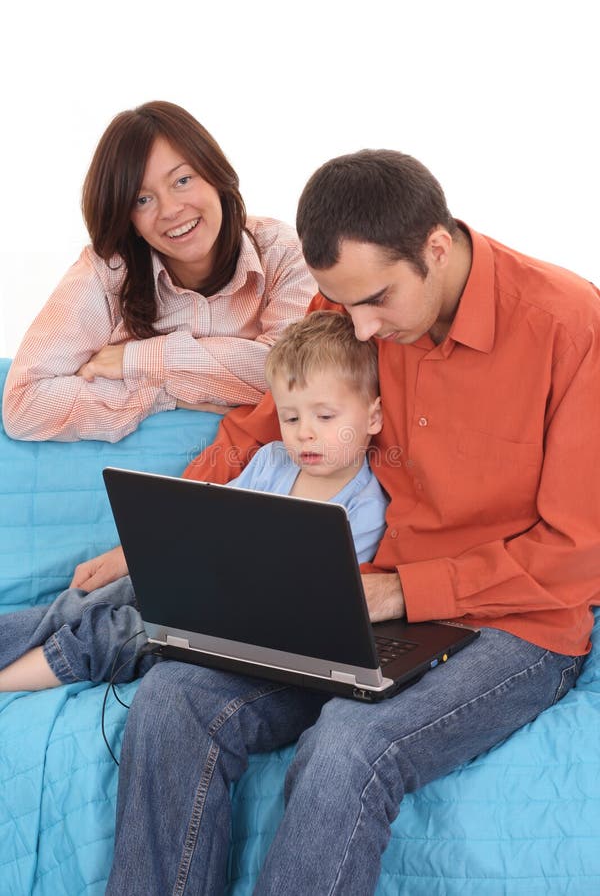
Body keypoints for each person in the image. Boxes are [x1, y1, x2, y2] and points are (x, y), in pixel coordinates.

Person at [98, 149, 598, 895]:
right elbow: (260, 427)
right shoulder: (349, 303)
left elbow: (577, 553)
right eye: (341, 303)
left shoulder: (571, 326)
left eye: (377, 302)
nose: (358, 330)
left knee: (348, 746)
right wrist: (157, 535)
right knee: (171, 702)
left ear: (435, 247)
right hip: (353, 604)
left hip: (516, 623)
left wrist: (404, 590)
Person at [0, 311, 387, 691]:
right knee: (90, 601)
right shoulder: (272, 460)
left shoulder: (364, 505)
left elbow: (324, 598)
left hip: (245, 628)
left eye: (325, 416)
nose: (305, 434)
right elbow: (220, 519)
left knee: (115, 632)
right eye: (290, 419)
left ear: (373, 417)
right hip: (212, 585)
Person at [1, 101, 315, 442]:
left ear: (214, 175)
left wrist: (140, 359)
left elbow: (299, 377)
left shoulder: (281, 252)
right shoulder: (106, 273)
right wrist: (164, 397)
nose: (170, 210)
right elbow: (24, 404)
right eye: (142, 199)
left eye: (182, 180)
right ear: (129, 219)